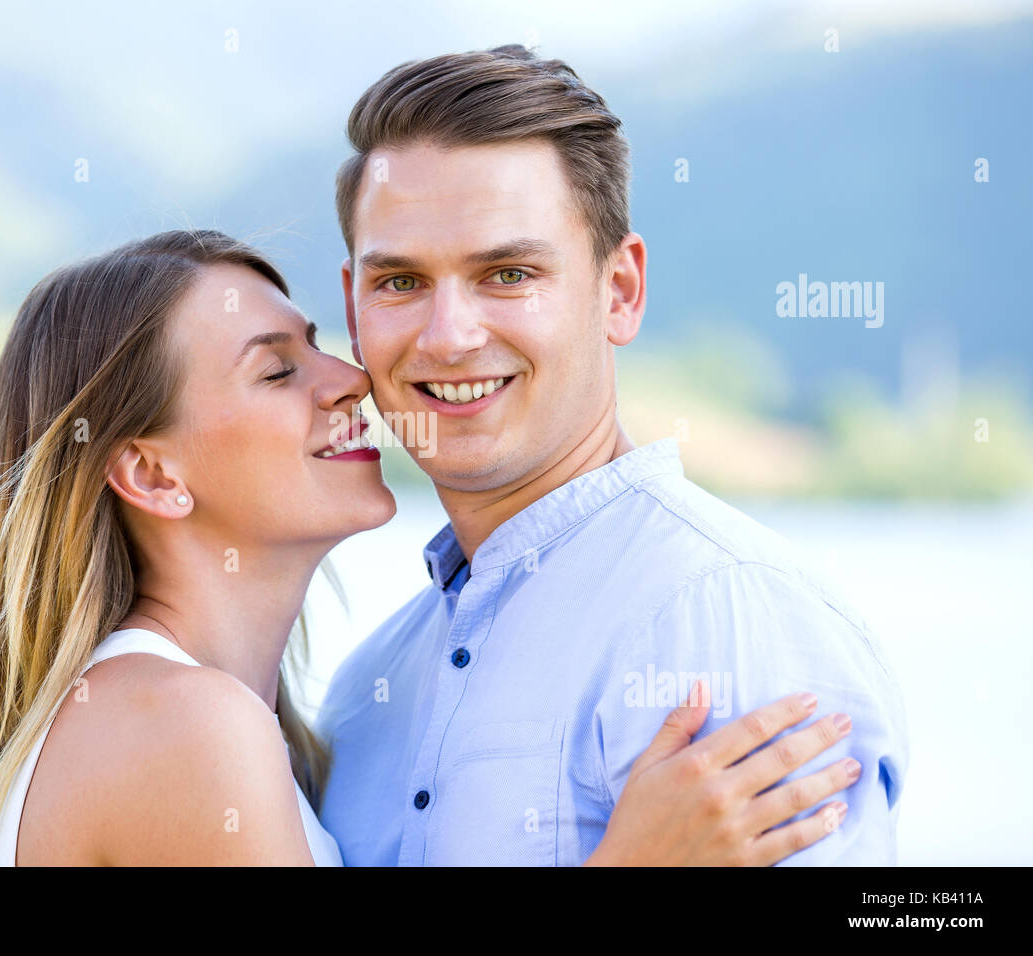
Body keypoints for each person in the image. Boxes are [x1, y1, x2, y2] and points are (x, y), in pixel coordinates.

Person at [0, 230, 857, 866]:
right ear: (151, 474)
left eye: (318, 345)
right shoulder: (184, 728)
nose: (350, 380)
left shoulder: (226, 718)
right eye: (277, 370)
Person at [315, 44, 908, 865]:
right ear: (353, 305)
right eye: (401, 283)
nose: (447, 337)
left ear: (619, 291)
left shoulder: (722, 623)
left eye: (509, 273)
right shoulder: (359, 698)